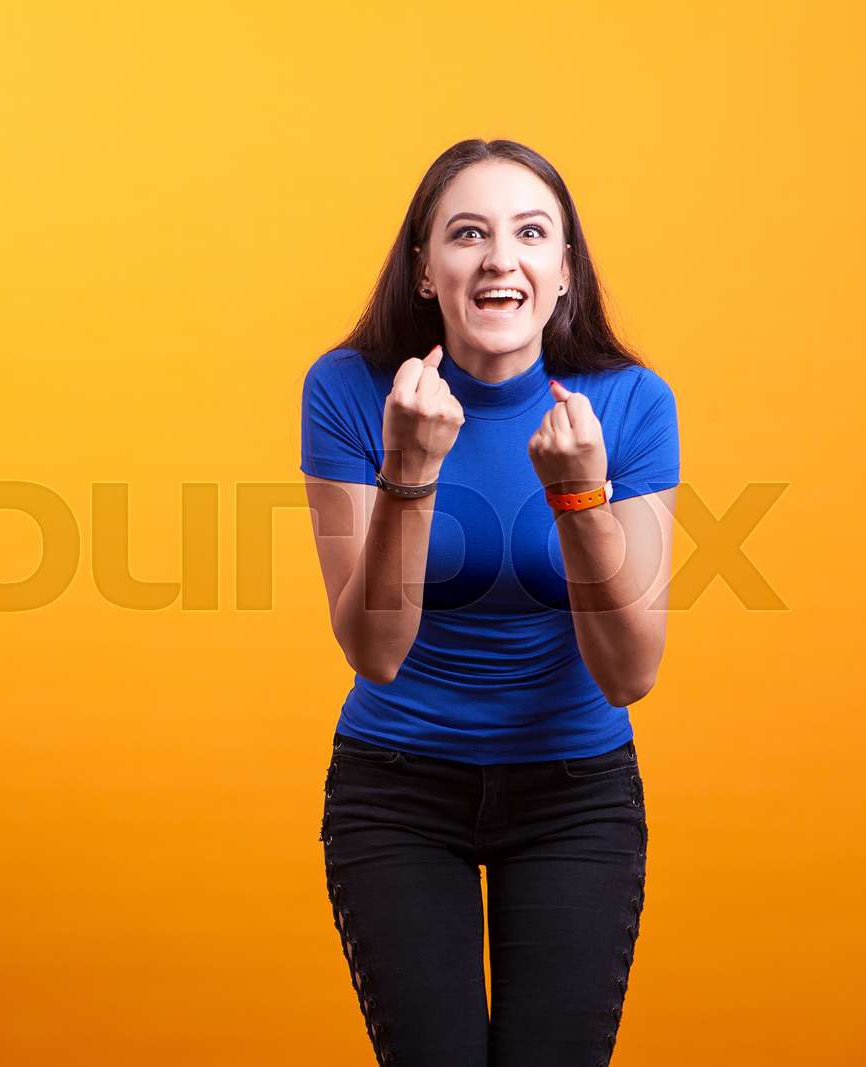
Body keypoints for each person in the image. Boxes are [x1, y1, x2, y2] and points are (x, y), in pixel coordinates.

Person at [300, 138, 679, 1066]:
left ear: (562, 274)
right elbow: (375, 650)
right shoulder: (350, 391)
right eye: (466, 233)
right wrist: (412, 470)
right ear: (425, 269)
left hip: (574, 795)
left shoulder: (631, 404)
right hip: (396, 790)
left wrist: (580, 497)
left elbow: (631, 673)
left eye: (530, 234)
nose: (499, 256)